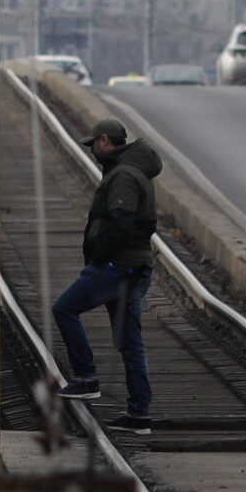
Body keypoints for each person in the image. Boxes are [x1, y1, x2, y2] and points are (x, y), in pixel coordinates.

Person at [51, 117, 162, 435]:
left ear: (104, 141)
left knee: (64, 308)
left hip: (118, 268)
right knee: (130, 344)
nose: (91, 151)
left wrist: (100, 256)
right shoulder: (132, 170)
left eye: (92, 145)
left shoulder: (124, 176)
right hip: (133, 267)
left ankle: (86, 378)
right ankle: (139, 414)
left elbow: (121, 222)